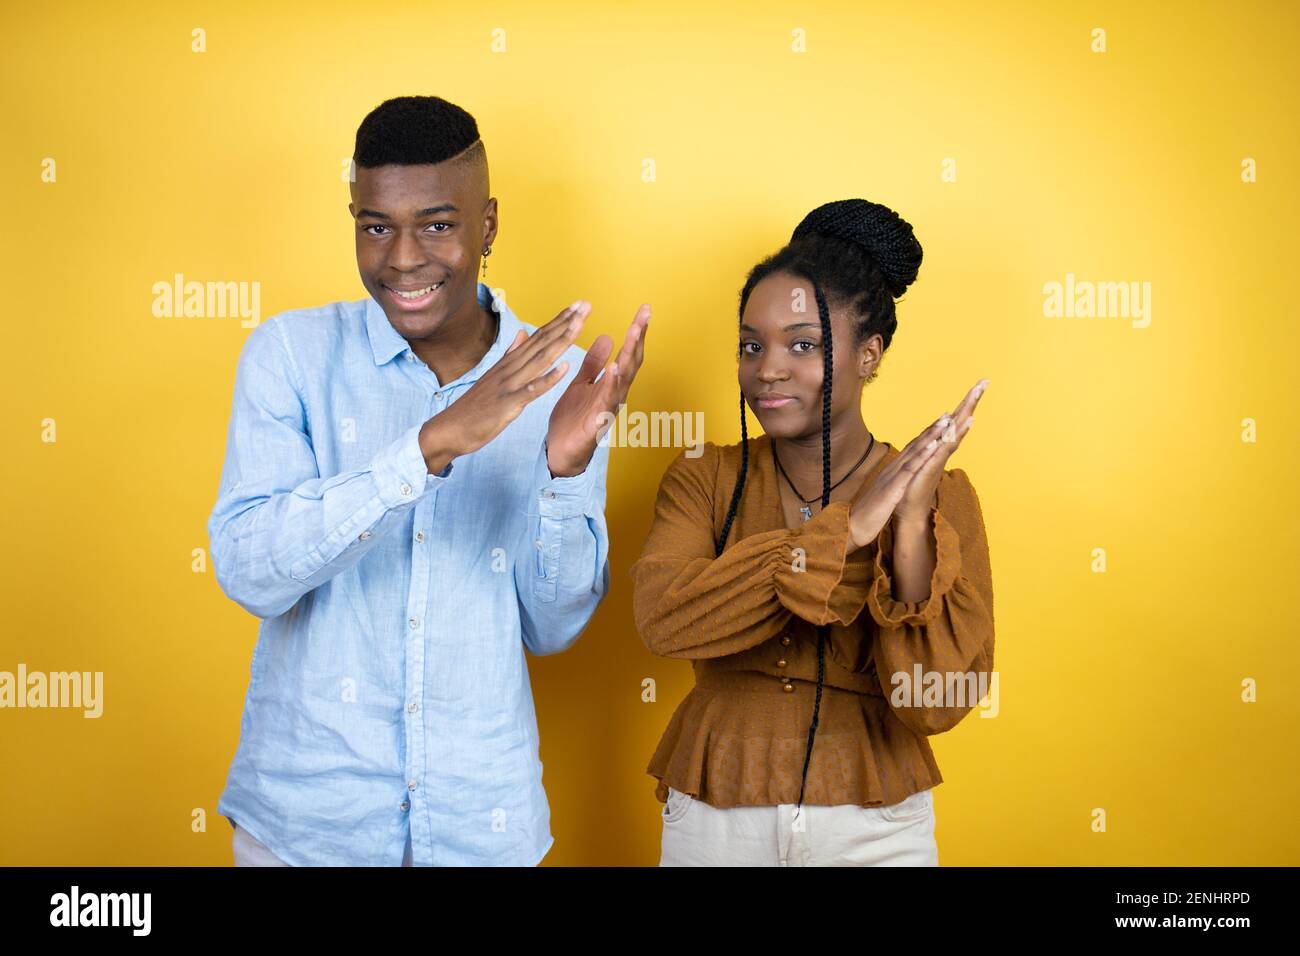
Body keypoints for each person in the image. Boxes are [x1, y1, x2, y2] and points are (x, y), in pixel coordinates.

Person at [208, 95, 649, 866]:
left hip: (484, 832)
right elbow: (249, 570)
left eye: (437, 225)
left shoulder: (557, 381)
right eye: (375, 226)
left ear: (488, 225)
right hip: (305, 832)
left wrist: (564, 472)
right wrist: (427, 447)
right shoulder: (289, 356)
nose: (402, 258)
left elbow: (554, 630)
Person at [630, 198, 993, 866]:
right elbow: (664, 620)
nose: (767, 368)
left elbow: (937, 700)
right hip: (714, 817)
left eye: (804, 344)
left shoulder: (942, 495)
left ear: (869, 353)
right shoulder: (701, 478)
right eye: (751, 345)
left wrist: (908, 526)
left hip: (877, 824)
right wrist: (845, 532)